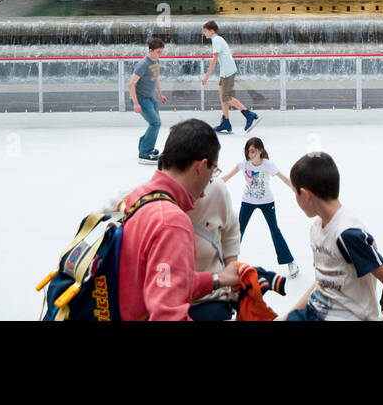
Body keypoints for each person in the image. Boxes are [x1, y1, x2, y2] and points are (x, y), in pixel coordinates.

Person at [119, 119, 242, 320]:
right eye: (212, 173)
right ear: (201, 167)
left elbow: (164, 282)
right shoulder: (172, 223)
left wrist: (219, 278)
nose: (206, 191)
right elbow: (166, 315)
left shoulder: (138, 198)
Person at [285, 152, 383, 321]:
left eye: (295, 193)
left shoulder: (347, 234)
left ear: (306, 195)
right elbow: (322, 284)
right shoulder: (317, 229)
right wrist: (287, 317)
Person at [220, 137, 298, 276]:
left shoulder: (268, 165)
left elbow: (284, 178)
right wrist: (213, 183)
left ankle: (290, 262)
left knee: (274, 230)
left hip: (267, 202)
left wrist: (295, 188)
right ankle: (224, 262)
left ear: (260, 150)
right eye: (248, 152)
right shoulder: (244, 164)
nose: (250, 155)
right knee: (238, 230)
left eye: (253, 151)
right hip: (248, 201)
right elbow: (226, 177)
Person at [186, 175, 241, 321]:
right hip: (168, 304)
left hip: (208, 300)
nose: (204, 193)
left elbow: (231, 229)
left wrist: (231, 267)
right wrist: (218, 279)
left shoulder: (216, 188)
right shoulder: (151, 204)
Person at [201, 20, 259, 134]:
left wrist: (206, 76)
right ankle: (226, 122)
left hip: (228, 71)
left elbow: (214, 60)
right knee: (222, 94)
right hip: (226, 70)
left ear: (212, 31)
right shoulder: (216, 39)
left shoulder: (216, 40)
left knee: (226, 97)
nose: (204, 33)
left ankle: (248, 114)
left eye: (206, 31)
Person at [128, 38, 168, 164]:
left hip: (150, 98)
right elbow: (131, 84)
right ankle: (145, 153)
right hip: (141, 99)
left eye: (161, 52)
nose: (160, 54)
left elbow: (155, 79)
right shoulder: (143, 64)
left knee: (156, 123)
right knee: (155, 123)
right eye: (158, 52)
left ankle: (144, 145)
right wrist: (135, 103)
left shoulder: (156, 61)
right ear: (150, 51)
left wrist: (160, 94)